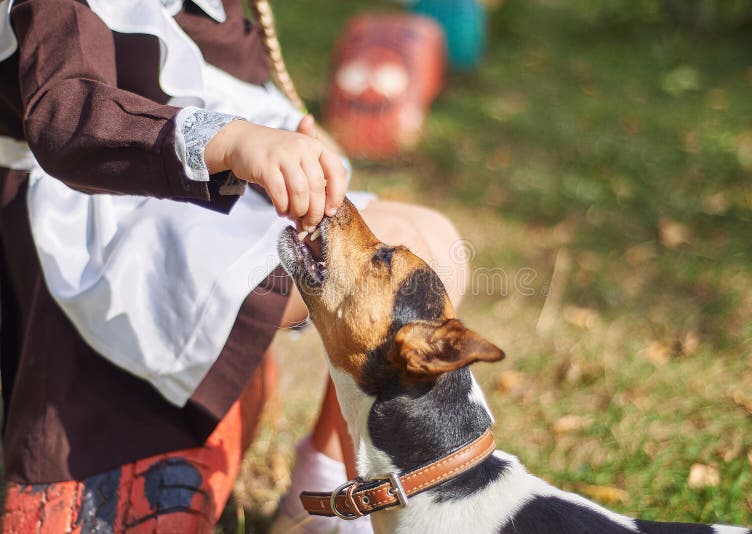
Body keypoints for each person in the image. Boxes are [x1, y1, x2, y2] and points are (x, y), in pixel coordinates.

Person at [0, 0, 467, 532]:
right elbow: (67, 115)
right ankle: (340, 505)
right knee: (393, 267)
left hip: (190, 198)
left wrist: (287, 133)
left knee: (431, 246)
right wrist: (233, 140)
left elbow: (212, 69)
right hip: (100, 214)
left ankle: (329, 487)